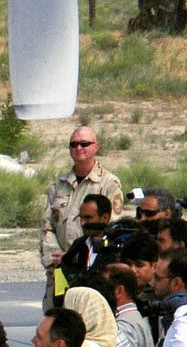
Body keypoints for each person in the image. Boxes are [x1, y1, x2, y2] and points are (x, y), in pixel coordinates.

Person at [41, 126, 125, 309]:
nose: (78, 148)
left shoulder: (109, 183)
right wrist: (57, 259)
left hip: (91, 270)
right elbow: (47, 226)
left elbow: (111, 227)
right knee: (58, 313)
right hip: (60, 269)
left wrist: (77, 255)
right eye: (74, 144)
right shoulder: (59, 185)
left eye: (84, 143)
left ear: (96, 147)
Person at [56, 193, 114, 288]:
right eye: (81, 218)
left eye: (88, 218)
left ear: (105, 218)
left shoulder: (116, 248)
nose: (83, 223)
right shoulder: (78, 245)